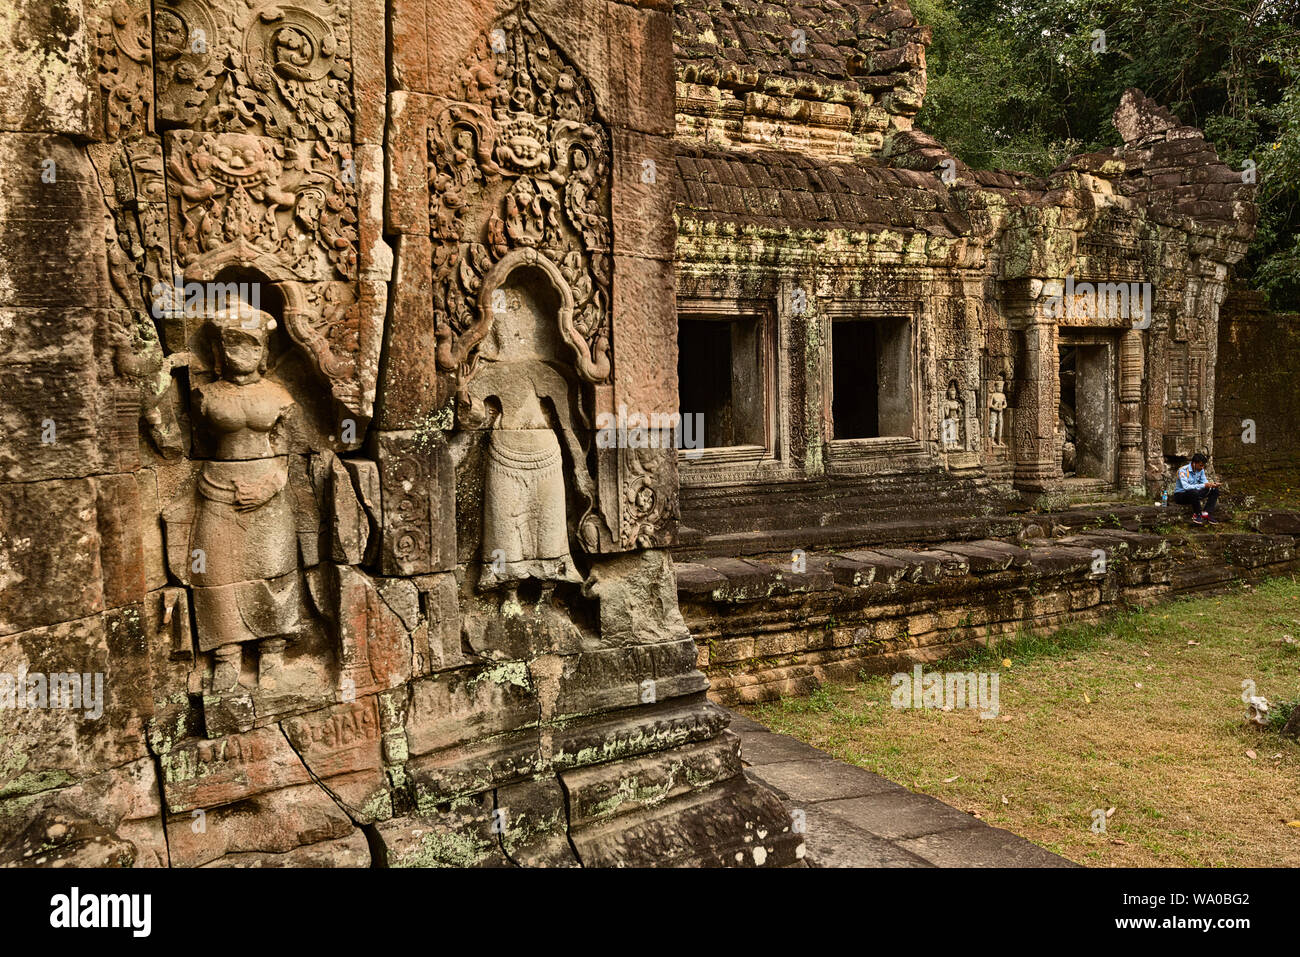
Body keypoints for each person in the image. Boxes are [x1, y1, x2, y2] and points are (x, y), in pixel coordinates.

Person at [1173, 452, 1220, 526]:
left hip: (1194, 494)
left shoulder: (1201, 470)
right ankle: (1197, 514)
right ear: (1194, 463)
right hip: (1181, 495)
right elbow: (1186, 487)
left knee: (1215, 490)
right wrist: (1204, 485)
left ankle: (1206, 513)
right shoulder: (1183, 470)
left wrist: (1211, 485)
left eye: (1203, 466)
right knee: (1193, 491)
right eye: (1201, 465)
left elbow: (1204, 482)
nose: (1202, 467)